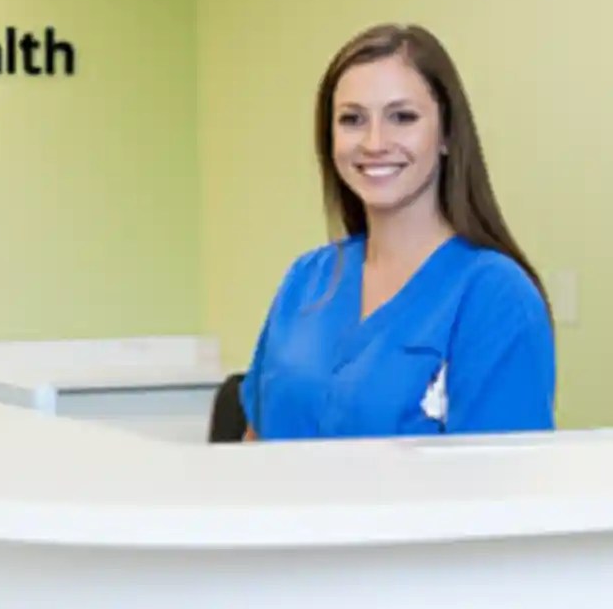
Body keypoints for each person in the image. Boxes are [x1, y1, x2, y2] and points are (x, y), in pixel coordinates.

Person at [238, 23, 555, 441]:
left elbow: (499, 494)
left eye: (402, 117)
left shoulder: (495, 296)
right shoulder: (307, 281)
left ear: (446, 134)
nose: (374, 142)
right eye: (352, 120)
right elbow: (251, 451)